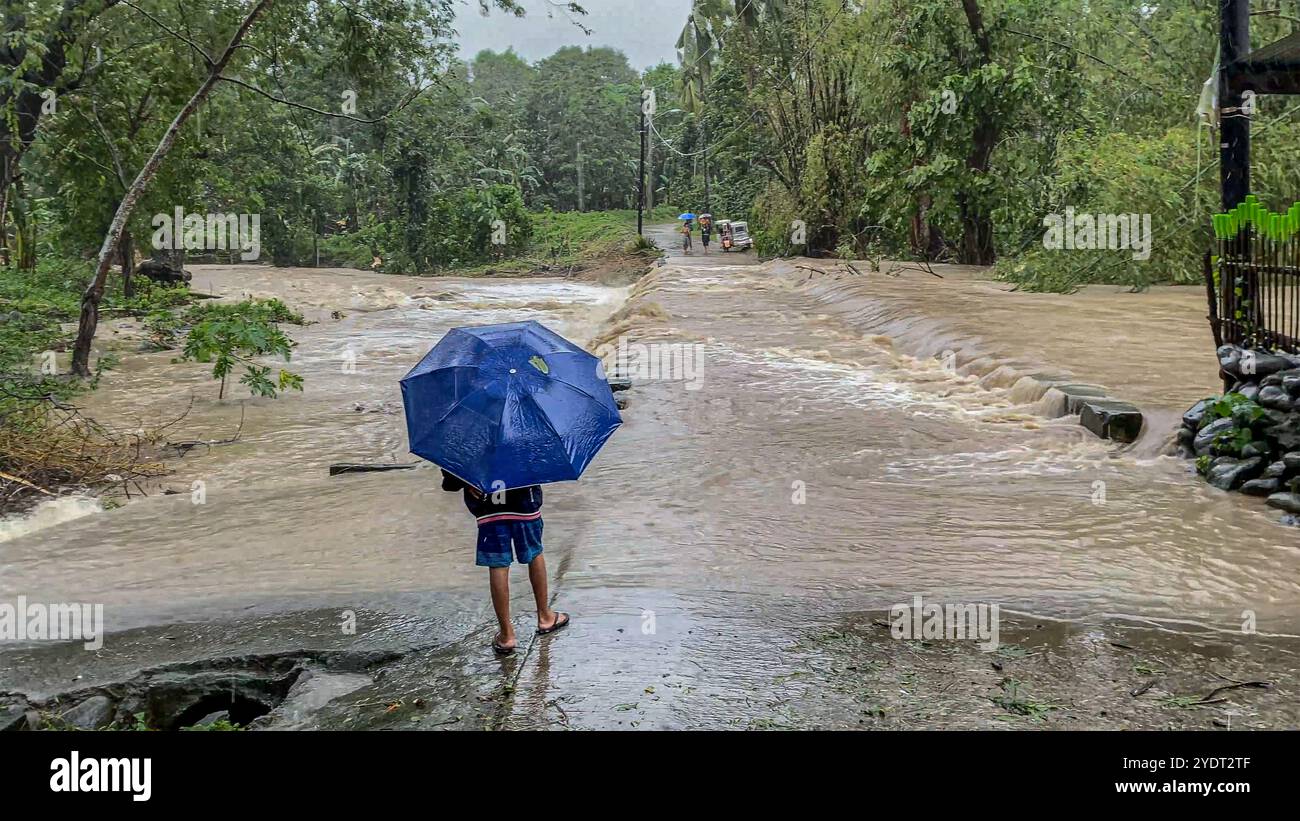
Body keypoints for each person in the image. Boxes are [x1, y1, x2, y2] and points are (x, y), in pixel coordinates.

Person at [441, 469, 570, 655]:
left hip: (489, 507)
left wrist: (468, 482)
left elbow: (451, 478)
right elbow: (542, 465)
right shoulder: (525, 439)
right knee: (534, 553)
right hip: (524, 503)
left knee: (498, 564)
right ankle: (545, 616)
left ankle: (507, 635)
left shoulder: (468, 442)